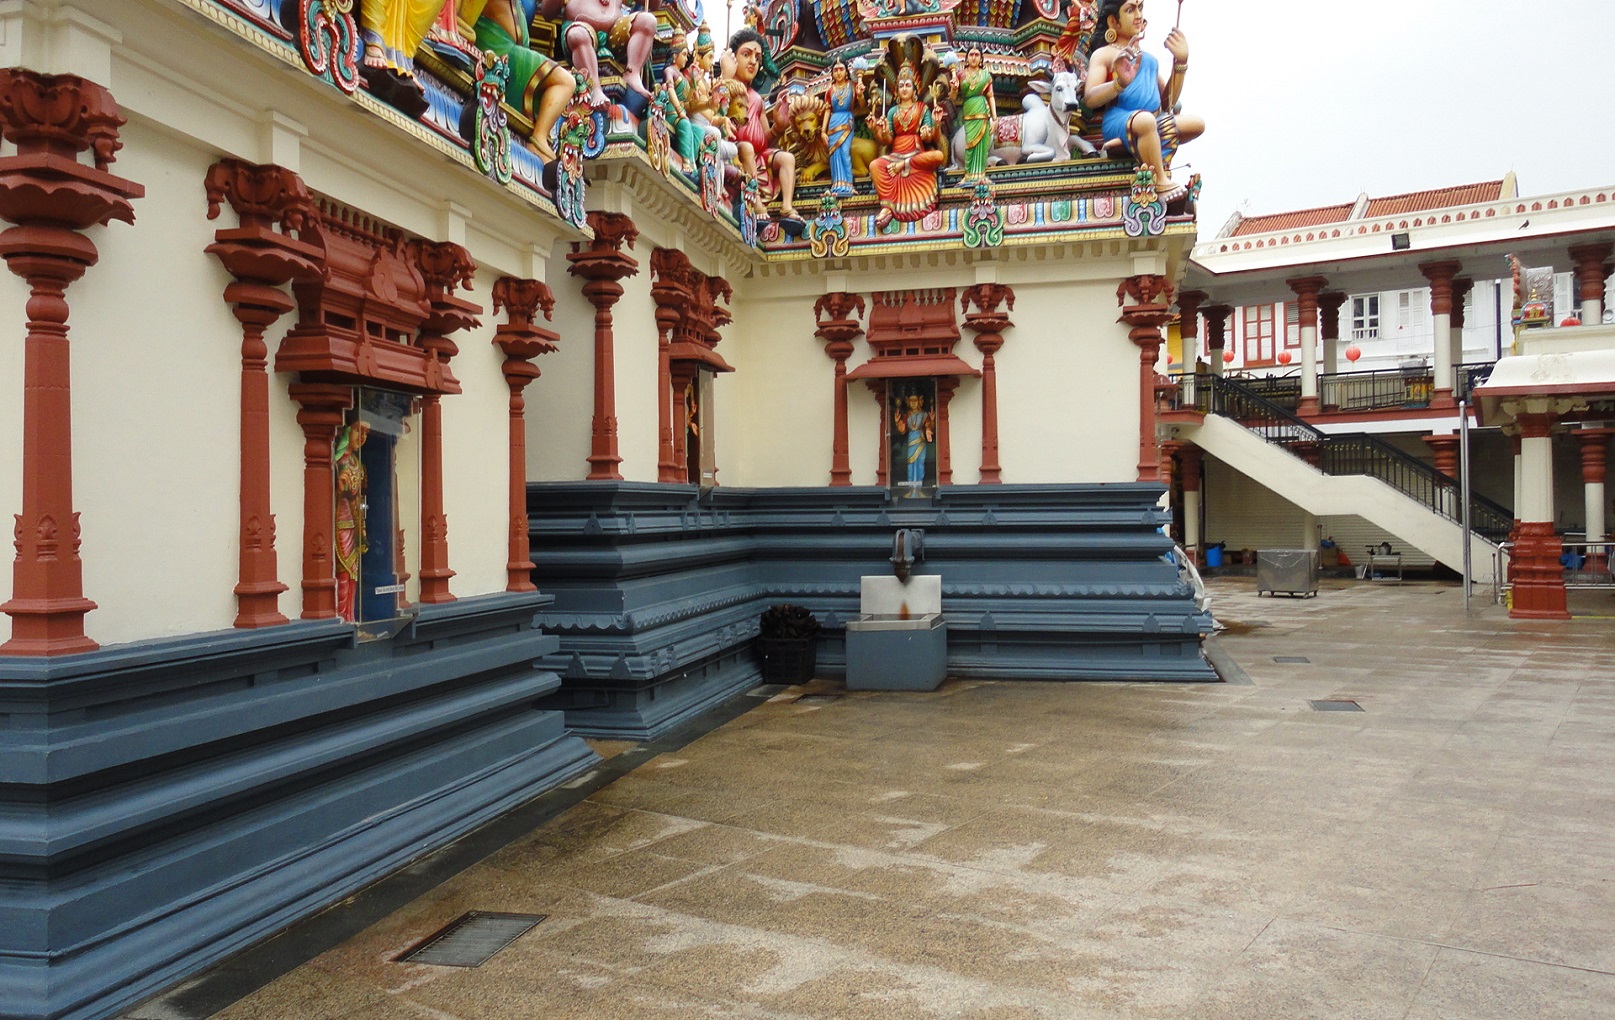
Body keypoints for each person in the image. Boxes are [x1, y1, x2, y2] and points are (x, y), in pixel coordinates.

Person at [1084, 0, 1204, 202]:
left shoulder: (1148, 60)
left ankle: (1134, 145)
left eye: (1140, 8)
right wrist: (1118, 84)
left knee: (1196, 124)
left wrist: (1180, 63)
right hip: (1120, 118)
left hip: (1150, 120)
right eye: (1130, 10)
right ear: (1113, 21)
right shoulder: (1105, 55)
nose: (1138, 15)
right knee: (1146, 122)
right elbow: (1090, 98)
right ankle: (1160, 180)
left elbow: (1168, 103)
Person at [467, 0, 575, 160]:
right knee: (565, 82)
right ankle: (539, 138)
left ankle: (540, 137)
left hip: (509, 56)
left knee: (566, 83)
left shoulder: (520, 7)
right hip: (497, 55)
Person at [725, 27, 800, 220]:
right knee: (748, 148)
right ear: (733, 58)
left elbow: (765, 139)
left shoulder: (757, 99)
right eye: (746, 54)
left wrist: (779, 126)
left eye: (757, 58)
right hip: (736, 150)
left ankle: (787, 207)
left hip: (758, 155)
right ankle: (756, 203)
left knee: (787, 158)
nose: (753, 62)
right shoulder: (726, 87)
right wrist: (725, 76)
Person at [865, 65, 947, 230]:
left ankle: (904, 166)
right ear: (896, 90)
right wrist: (876, 129)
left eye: (908, 85)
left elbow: (930, 136)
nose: (904, 89)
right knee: (875, 165)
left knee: (937, 156)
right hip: (896, 154)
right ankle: (887, 207)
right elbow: (887, 140)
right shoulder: (893, 111)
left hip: (916, 154)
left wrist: (934, 124)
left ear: (914, 89)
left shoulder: (922, 108)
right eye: (901, 85)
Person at [540, 0, 658, 107]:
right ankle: (594, 88)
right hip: (581, 28)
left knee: (647, 20)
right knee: (578, 35)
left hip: (615, 32)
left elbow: (654, 4)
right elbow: (547, 14)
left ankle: (632, 73)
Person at [334, 422, 370, 623]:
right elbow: (340, 494)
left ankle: (351, 616)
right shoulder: (340, 462)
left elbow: (359, 500)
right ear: (347, 431)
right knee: (344, 572)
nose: (362, 437)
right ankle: (342, 618)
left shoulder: (357, 463)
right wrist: (339, 489)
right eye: (358, 431)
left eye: (365, 433)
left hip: (354, 523)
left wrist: (362, 529)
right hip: (340, 521)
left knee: (354, 573)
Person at [951, 46, 996, 185]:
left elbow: (991, 96)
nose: (974, 57)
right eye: (971, 54)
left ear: (981, 58)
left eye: (977, 54)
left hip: (983, 110)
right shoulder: (960, 75)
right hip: (969, 109)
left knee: (983, 144)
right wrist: (953, 87)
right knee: (969, 144)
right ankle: (969, 175)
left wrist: (995, 118)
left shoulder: (986, 75)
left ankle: (981, 175)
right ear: (966, 58)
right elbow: (952, 98)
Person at [822, 59, 861, 196]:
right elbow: (828, 110)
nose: (838, 73)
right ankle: (837, 184)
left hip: (847, 120)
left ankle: (849, 184)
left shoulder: (852, 86)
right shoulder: (830, 90)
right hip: (834, 121)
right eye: (835, 70)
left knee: (845, 151)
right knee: (834, 154)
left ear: (846, 72)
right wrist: (823, 131)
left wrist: (861, 94)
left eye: (841, 69)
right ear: (832, 74)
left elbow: (861, 105)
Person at [893, 391, 934, 489]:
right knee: (910, 463)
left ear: (920, 401)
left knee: (920, 463)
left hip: (920, 440)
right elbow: (902, 430)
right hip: (911, 440)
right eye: (911, 401)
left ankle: (920, 483)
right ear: (908, 402)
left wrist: (929, 428)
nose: (914, 403)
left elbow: (928, 426)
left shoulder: (923, 414)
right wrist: (897, 422)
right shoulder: (907, 415)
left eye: (916, 400)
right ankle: (911, 484)